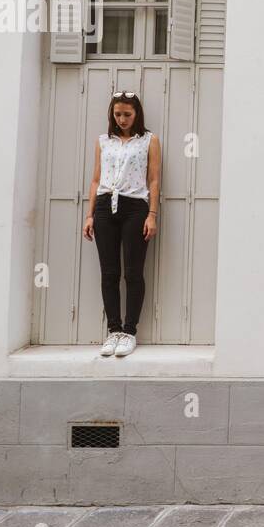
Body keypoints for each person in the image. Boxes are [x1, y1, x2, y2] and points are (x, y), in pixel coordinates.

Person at [82, 91, 161, 357]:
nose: (122, 119)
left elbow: (153, 180)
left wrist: (152, 214)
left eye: (127, 114)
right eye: (118, 114)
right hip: (105, 206)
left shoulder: (149, 140)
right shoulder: (104, 141)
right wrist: (90, 214)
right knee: (109, 273)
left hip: (134, 207)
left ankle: (129, 332)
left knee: (133, 272)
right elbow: (95, 179)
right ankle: (113, 331)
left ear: (136, 114)